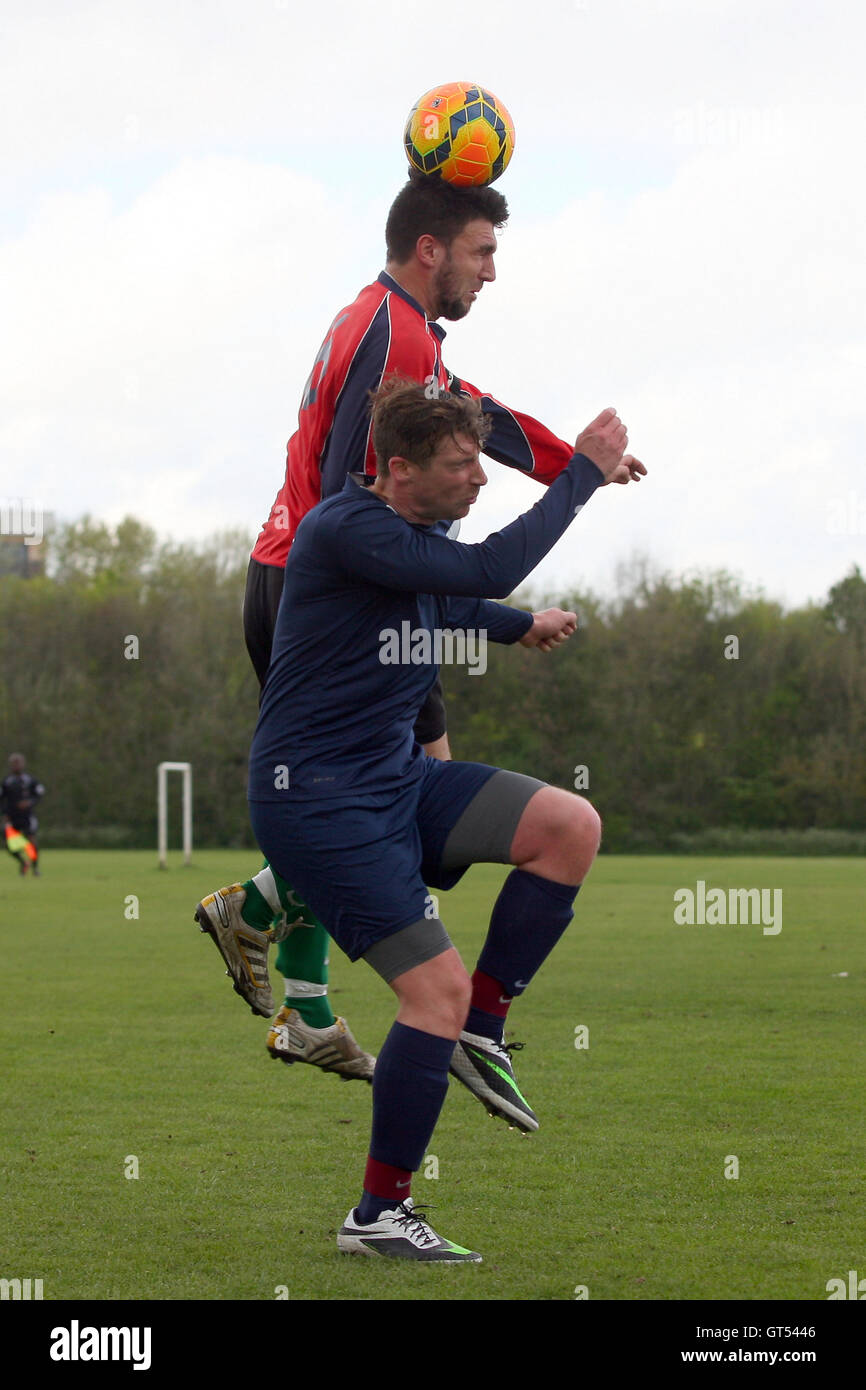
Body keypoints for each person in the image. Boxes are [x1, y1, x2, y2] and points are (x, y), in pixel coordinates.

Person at [195, 173, 645, 1082]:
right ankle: (268, 913)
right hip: (335, 598)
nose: (490, 273)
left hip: (325, 587)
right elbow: (352, 498)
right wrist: (574, 484)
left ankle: (308, 1000)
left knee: (389, 801)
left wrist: (569, 462)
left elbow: (477, 416)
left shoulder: (388, 321)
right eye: (483, 252)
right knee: (410, 802)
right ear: (431, 249)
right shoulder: (395, 332)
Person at [247, 381, 643, 1260]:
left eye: (479, 463)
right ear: (397, 470)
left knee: (568, 826)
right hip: (319, 800)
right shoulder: (347, 528)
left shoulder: (408, 538)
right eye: (463, 466)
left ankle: (483, 1028)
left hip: (393, 778)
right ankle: (379, 1214)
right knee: (431, 990)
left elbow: (454, 603)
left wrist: (518, 626)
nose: (479, 481)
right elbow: (480, 572)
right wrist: (579, 474)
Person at [2, 753, 44, 876]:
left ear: (23, 764)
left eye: (18, 763)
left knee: (32, 841)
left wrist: (30, 802)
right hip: (12, 817)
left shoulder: (30, 780)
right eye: (14, 763)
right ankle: (23, 862)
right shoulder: (6, 782)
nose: (16, 766)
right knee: (9, 846)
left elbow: (39, 794)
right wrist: (4, 813)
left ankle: (35, 868)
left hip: (27, 816)